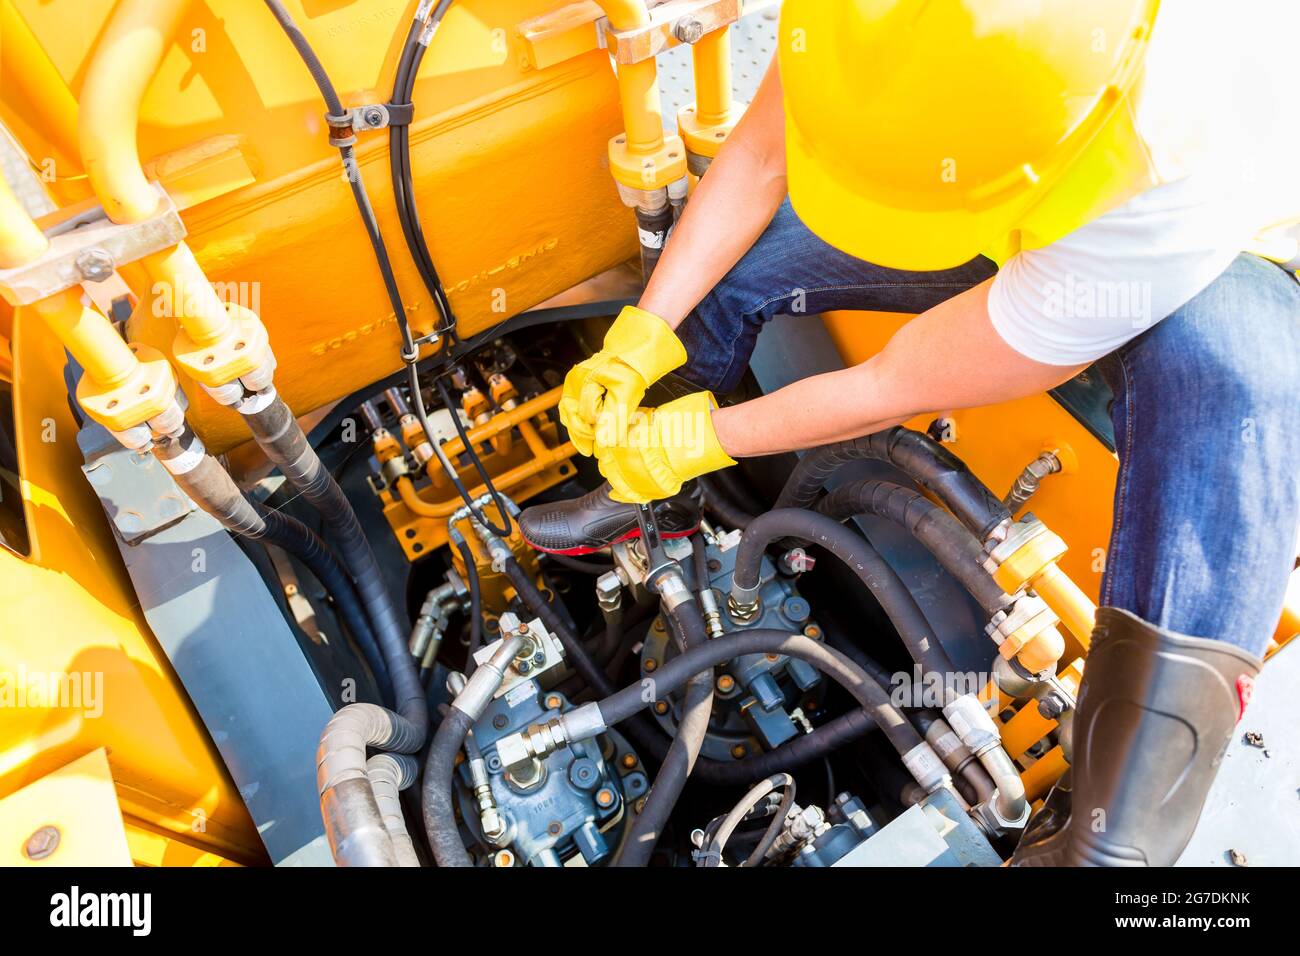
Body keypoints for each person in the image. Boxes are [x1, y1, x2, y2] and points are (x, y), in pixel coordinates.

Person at [518, 0, 1300, 865]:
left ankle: (1112, 849)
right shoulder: (872, 27)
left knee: (1232, 382)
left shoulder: (1187, 128)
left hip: (1189, 257)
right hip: (996, 180)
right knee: (731, 262)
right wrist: (643, 336)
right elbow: (760, 153)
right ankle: (642, 500)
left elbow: (893, 382)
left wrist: (704, 436)